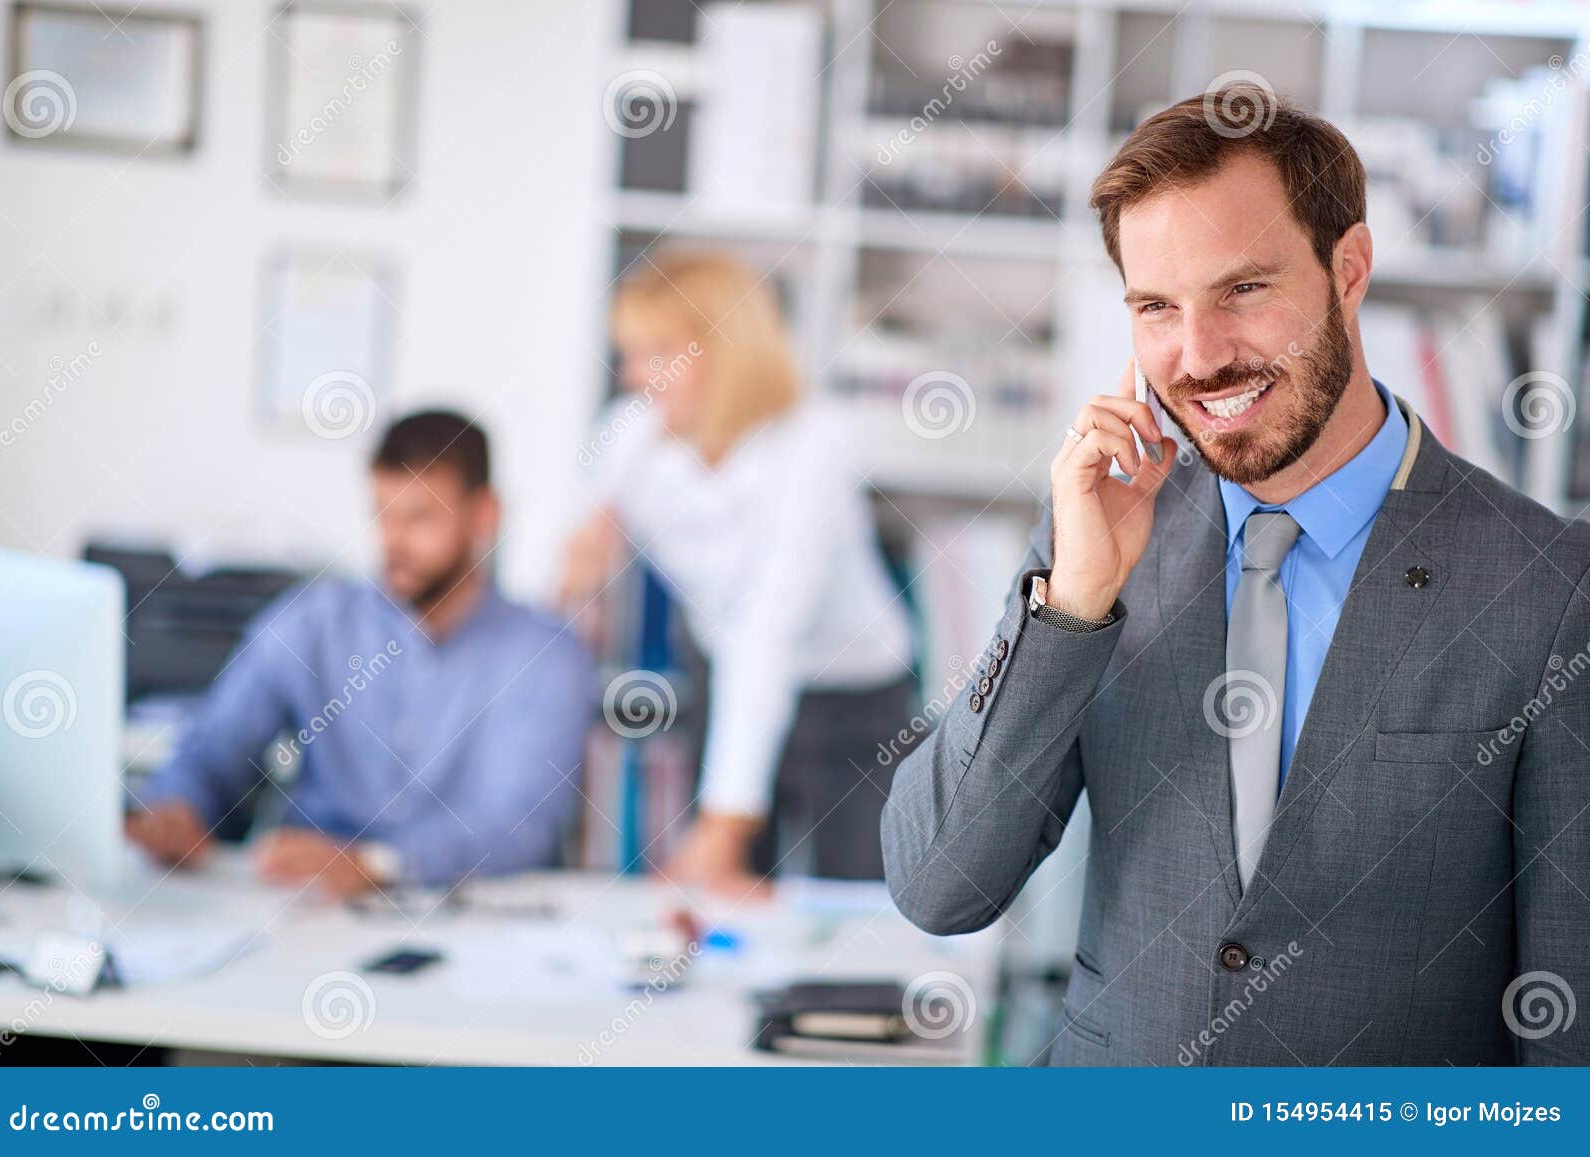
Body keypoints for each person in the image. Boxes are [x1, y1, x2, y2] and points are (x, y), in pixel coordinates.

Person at [882, 86, 1590, 1065]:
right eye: (1156, 308)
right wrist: (1072, 605)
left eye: (1243, 290)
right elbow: (938, 883)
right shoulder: (1102, 531)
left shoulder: (1549, 589)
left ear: (1348, 269)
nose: (1200, 355)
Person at [128, 410, 595, 898]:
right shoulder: (314, 621)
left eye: (420, 518)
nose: (393, 542)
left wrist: (378, 864)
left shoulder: (545, 654)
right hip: (303, 907)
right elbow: (212, 748)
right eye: (382, 514)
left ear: (484, 515)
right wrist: (178, 809)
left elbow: (519, 827)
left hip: (457, 916)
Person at [562, 251, 915, 891]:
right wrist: (577, 567)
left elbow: (769, 628)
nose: (637, 375)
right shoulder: (628, 436)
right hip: (725, 679)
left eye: (658, 350)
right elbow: (568, 563)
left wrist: (723, 829)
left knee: (861, 902)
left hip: (853, 703)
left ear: (726, 348)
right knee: (726, 905)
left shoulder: (814, 442)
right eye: (631, 352)